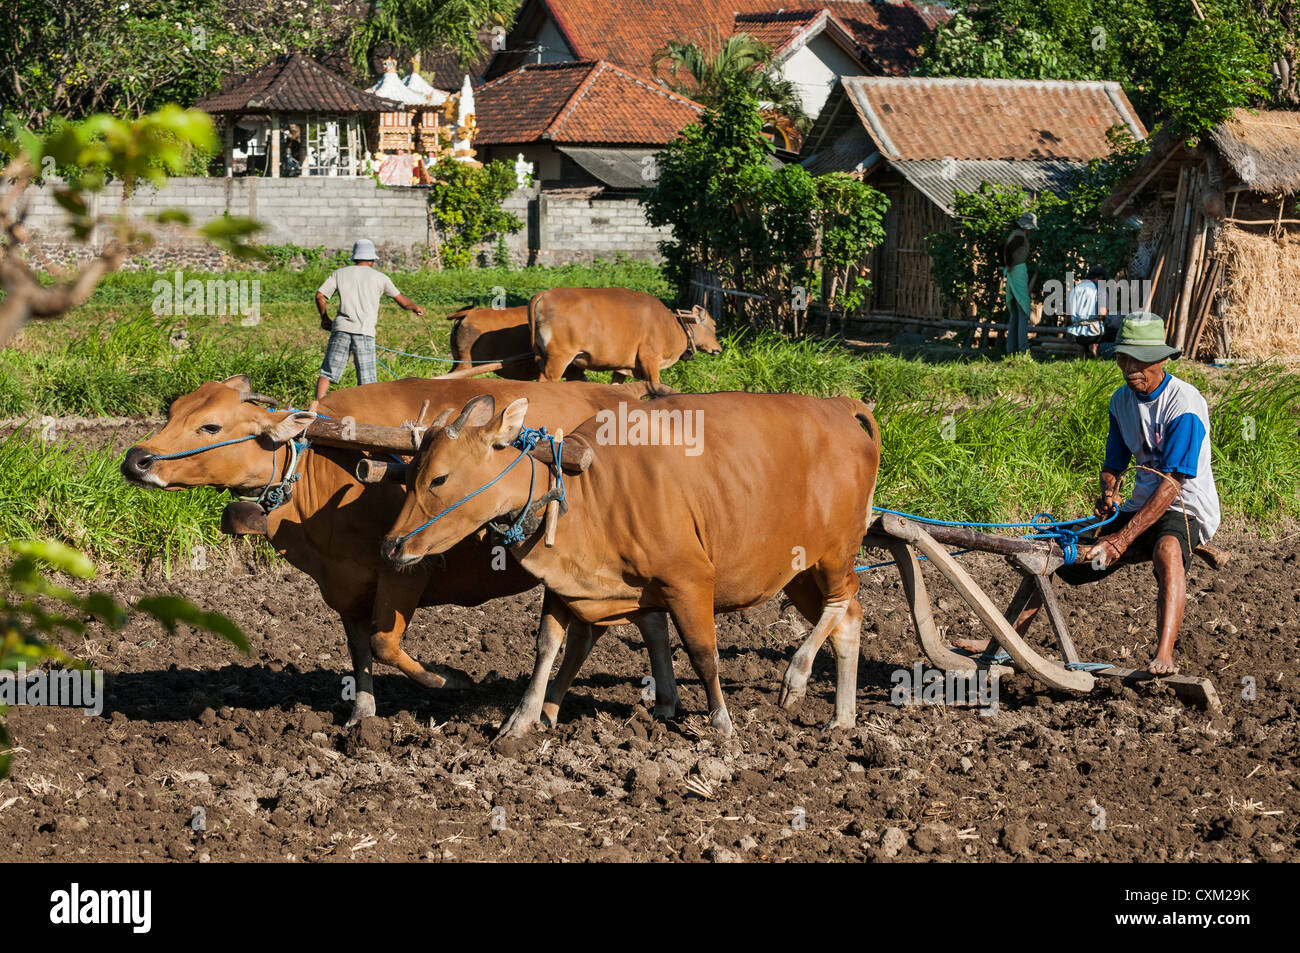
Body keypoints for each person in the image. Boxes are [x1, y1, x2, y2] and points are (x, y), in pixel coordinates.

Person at [958, 313, 1220, 675]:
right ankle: (1006, 642)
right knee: (1053, 550)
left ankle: (1164, 655)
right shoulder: (1121, 402)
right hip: (1141, 504)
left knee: (1167, 549)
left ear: (1160, 359)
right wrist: (1109, 491)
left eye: (1138, 361)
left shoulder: (1184, 406)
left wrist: (1122, 538)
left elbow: (1173, 482)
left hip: (1184, 506)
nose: (1130, 369)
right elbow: (1114, 460)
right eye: (1123, 359)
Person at [314, 239, 424, 401]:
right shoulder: (380, 278)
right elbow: (402, 302)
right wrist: (416, 307)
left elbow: (320, 295)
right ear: (372, 260)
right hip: (364, 332)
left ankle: (317, 407)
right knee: (367, 379)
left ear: (355, 258)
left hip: (341, 328)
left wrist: (325, 318)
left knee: (328, 372)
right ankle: (367, 412)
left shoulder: (340, 273)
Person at [1002, 212, 1037, 354]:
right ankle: (1023, 351)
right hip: (1017, 273)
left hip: (1013, 274)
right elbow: (1008, 251)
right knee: (1023, 312)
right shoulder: (1019, 235)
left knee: (1015, 315)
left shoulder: (1015, 234)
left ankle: (1011, 350)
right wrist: (1009, 265)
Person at [1066, 265, 1109, 357]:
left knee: (1080, 340)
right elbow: (1103, 314)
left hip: (1075, 334)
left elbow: (1068, 316)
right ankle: (1093, 347)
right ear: (1101, 277)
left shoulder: (1075, 289)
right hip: (1094, 333)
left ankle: (1082, 349)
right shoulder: (1100, 290)